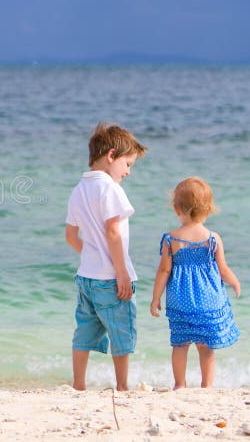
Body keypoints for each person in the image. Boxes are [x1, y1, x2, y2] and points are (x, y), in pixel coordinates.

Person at [65, 122, 147, 391]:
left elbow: (70, 237)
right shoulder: (111, 189)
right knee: (120, 331)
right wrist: (121, 272)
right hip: (111, 279)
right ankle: (122, 386)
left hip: (86, 277)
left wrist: (92, 254)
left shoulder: (78, 190)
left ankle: (78, 384)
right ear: (111, 156)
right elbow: (113, 231)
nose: (128, 172)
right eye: (127, 164)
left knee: (84, 331)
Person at [150, 177, 240, 389]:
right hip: (208, 300)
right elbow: (223, 269)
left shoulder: (171, 239)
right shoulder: (212, 239)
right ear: (208, 210)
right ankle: (206, 385)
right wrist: (234, 282)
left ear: (176, 208)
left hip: (180, 301)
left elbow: (164, 270)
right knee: (206, 347)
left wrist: (156, 298)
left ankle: (180, 384)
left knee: (180, 344)